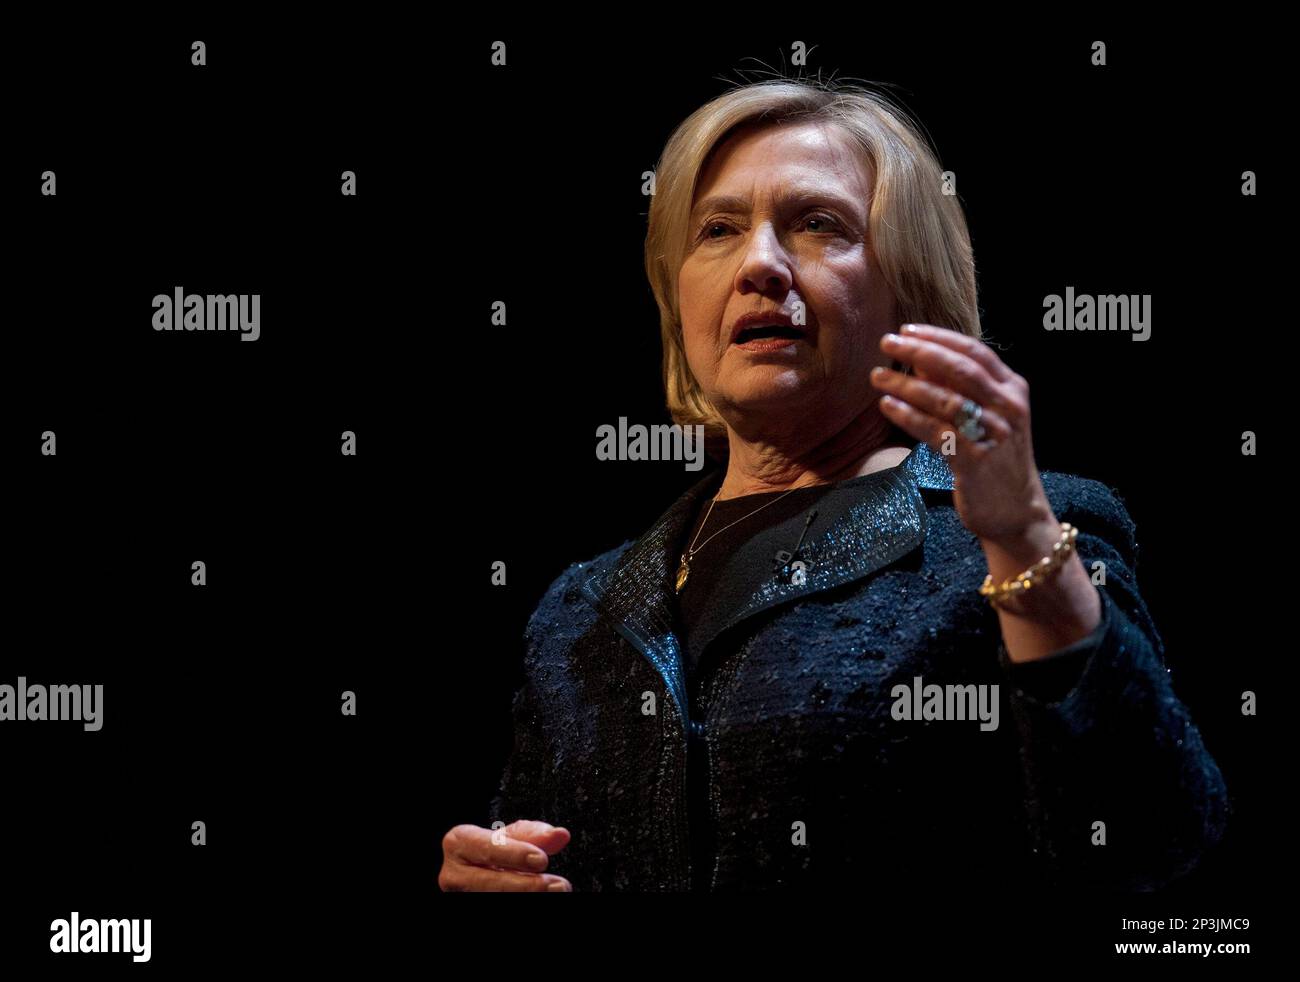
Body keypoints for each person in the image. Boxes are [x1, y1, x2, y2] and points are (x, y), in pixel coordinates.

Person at [438, 78, 1229, 893]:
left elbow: (1152, 839)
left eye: (818, 225)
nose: (760, 266)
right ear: (679, 300)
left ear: (910, 293)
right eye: (718, 230)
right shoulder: (581, 608)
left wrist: (1025, 543)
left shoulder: (1029, 534)